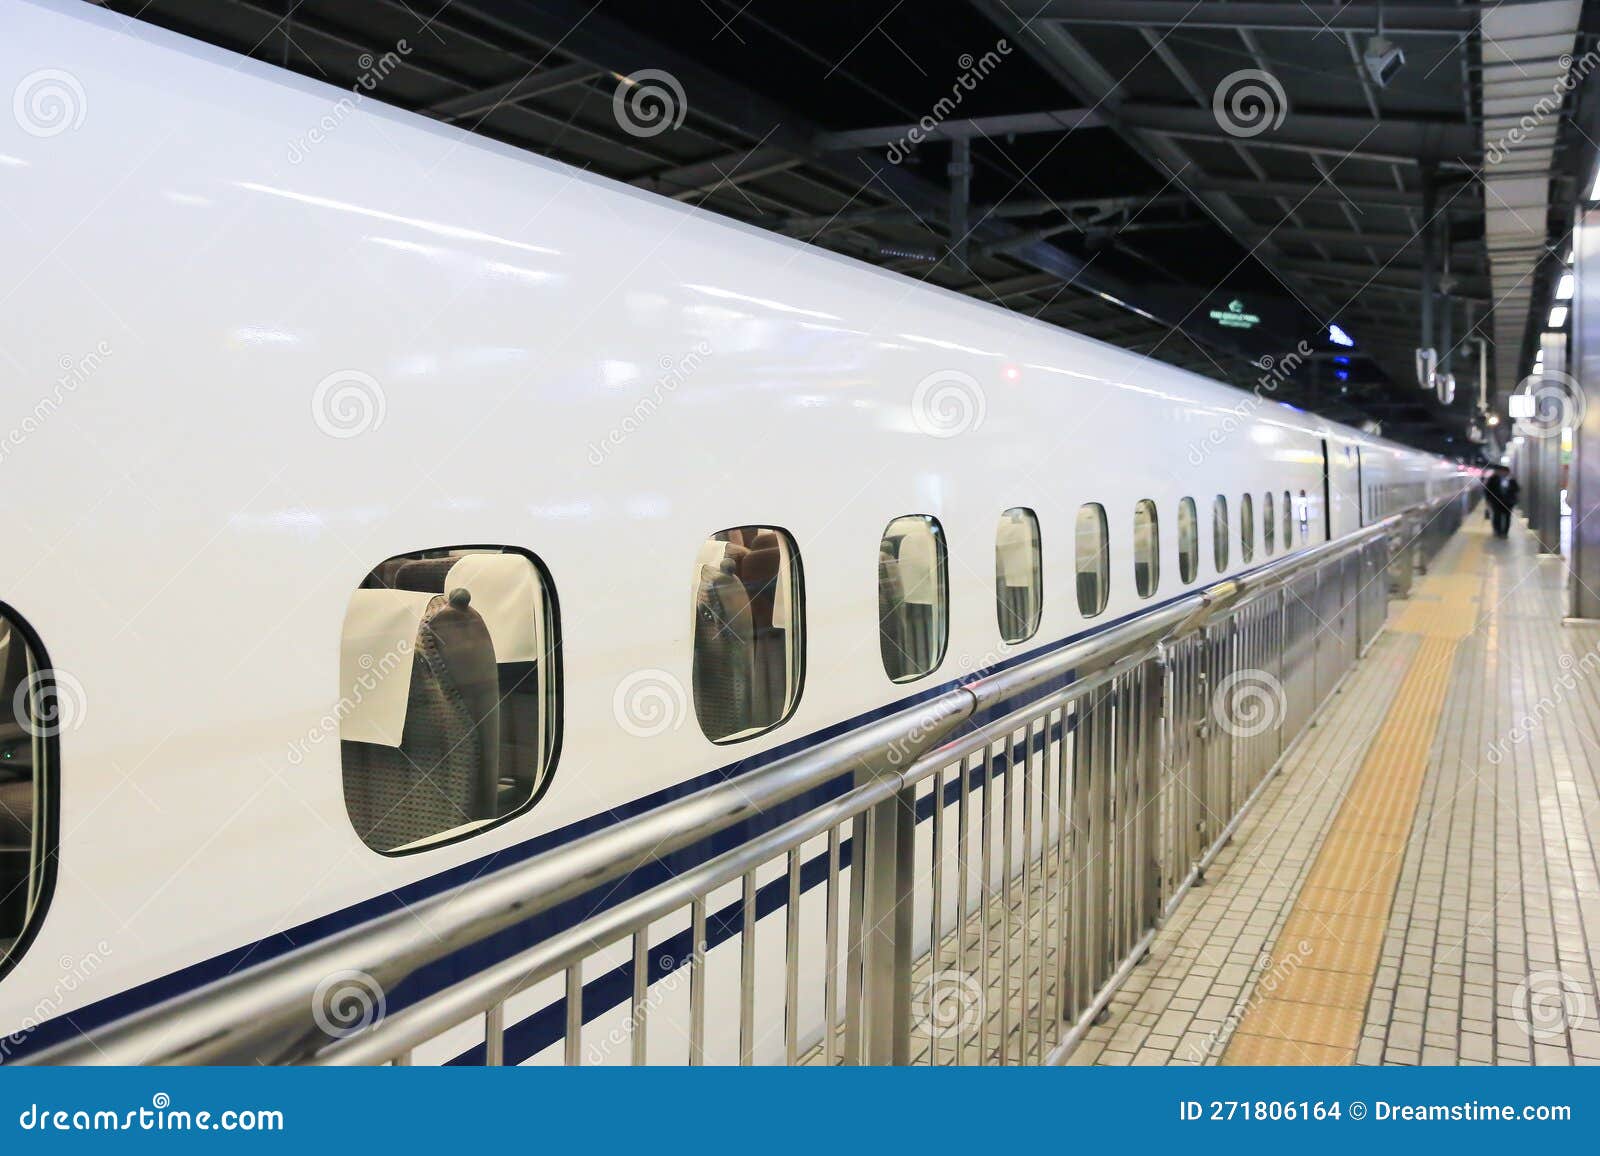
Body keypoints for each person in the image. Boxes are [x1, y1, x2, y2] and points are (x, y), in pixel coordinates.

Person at [1483, 465, 1520, 538]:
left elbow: (1517, 489)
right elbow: (1487, 490)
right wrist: (1488, 500)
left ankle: (1505, 532)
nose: (1503, 473)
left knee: (1507, 517)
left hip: (1508, 503)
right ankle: (1497, 531)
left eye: (1505, 472)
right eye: (1502, 471)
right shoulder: (1493, 479)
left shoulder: (1512, 480)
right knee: (1497, 516)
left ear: (1508, 472)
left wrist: (1513, 498)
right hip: (1496, 502)